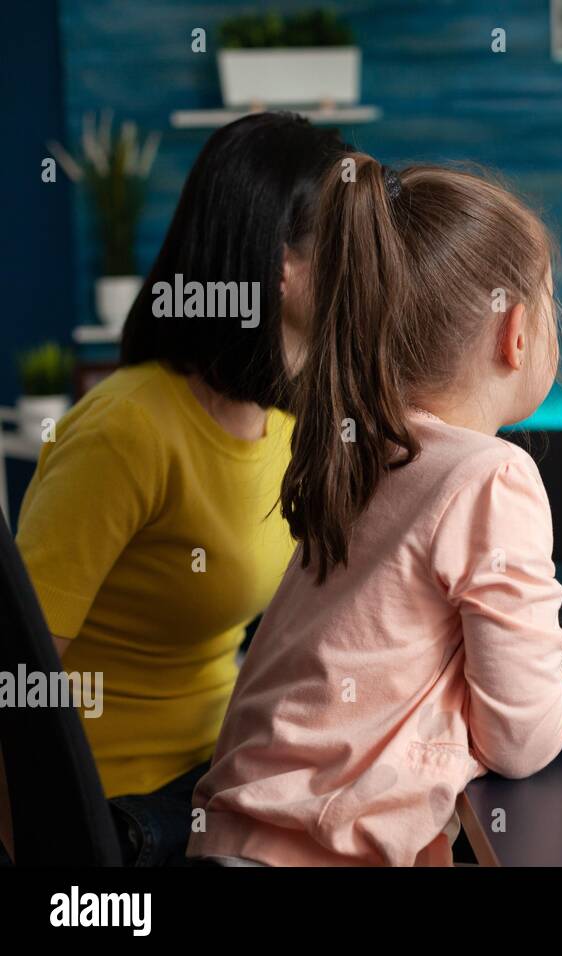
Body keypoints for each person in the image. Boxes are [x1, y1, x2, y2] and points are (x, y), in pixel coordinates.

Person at [188, 158, 562, 867]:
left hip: (236, 836)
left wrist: (542, 693)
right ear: (516, 334)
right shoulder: (491, 476)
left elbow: (391, 668)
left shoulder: (359, 450)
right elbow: (519, 745)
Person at [2, 113, 348, 866]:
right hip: (120, 816)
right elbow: (15, 677)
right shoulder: (126, 430)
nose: (371, 266)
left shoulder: (285, 424)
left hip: (220, 778)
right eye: (350, 243)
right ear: (282, 266)